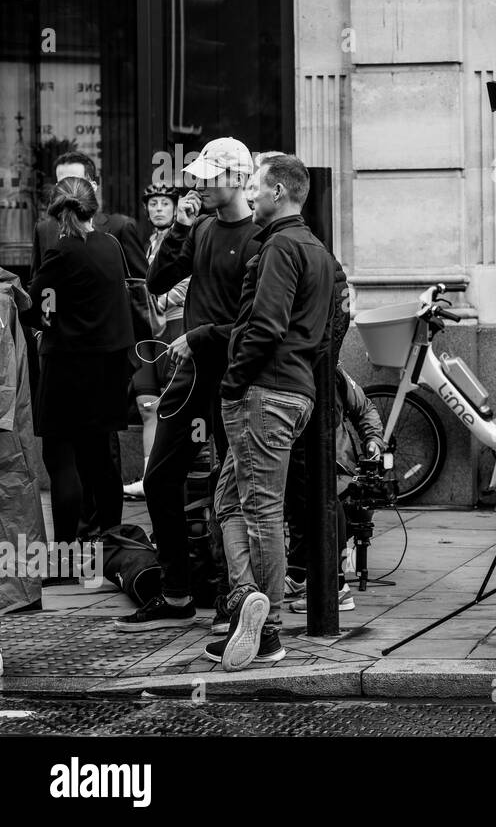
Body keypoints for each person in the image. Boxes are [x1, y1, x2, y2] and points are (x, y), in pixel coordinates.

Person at [114, 137, 260, 633]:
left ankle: (231, 593)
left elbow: (254, 320)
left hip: (235, 375)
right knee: (159, 477)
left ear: (238, 179)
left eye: (211, 177)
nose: (200, 184)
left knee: (233, 489)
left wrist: (201, 335)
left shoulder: (261, 235)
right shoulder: (198, 228)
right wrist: (178, 227)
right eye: (198, 176)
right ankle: (176, 591)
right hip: (192, 373)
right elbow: (156, 283)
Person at [204, 153, 334, 671]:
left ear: (279, 192)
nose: (249, 193)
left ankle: (269, 627)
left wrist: (233, 382)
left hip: (264, 392)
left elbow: (265, 326)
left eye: (255, 185)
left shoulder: (280, 247)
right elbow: (325, 335)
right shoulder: (316, 250)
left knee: (259, 513)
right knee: (230, 502)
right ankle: (248, 602)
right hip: (293, 392)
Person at [22, 178, 133, 559]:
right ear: (92, 206)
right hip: (109, 371)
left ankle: (66, 559)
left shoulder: (62, 252)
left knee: (61, 461)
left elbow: (34, 308)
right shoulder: (111, 246)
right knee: (101, 462)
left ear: (56, 210)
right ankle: (115, 547)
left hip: (68, 370)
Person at [285, 365, 385, 616]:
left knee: (324, 502)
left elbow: (364, 408)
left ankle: (336, 587)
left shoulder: (332, 370)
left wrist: (372, 440)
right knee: (300, 507)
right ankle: (298, 575)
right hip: (294, 455)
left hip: (332, 461)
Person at [123, 184, 190, 500]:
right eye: (153, 204)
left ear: (176, 207)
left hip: (175, 325)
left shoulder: (186, 238)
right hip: (146, 331)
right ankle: (149, 476)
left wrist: (155, 302)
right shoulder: (146, 243)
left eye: (165, 203)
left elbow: (187, 282)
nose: (158, 209)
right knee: (146, 404)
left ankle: (166, 475)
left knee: (168, 404)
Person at [0, 267, 42, 614]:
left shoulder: (3, 301)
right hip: (12, 424)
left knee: (14, 494)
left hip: (7, 425)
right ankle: (23, 588)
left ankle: (20, 589)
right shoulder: (6, 299)